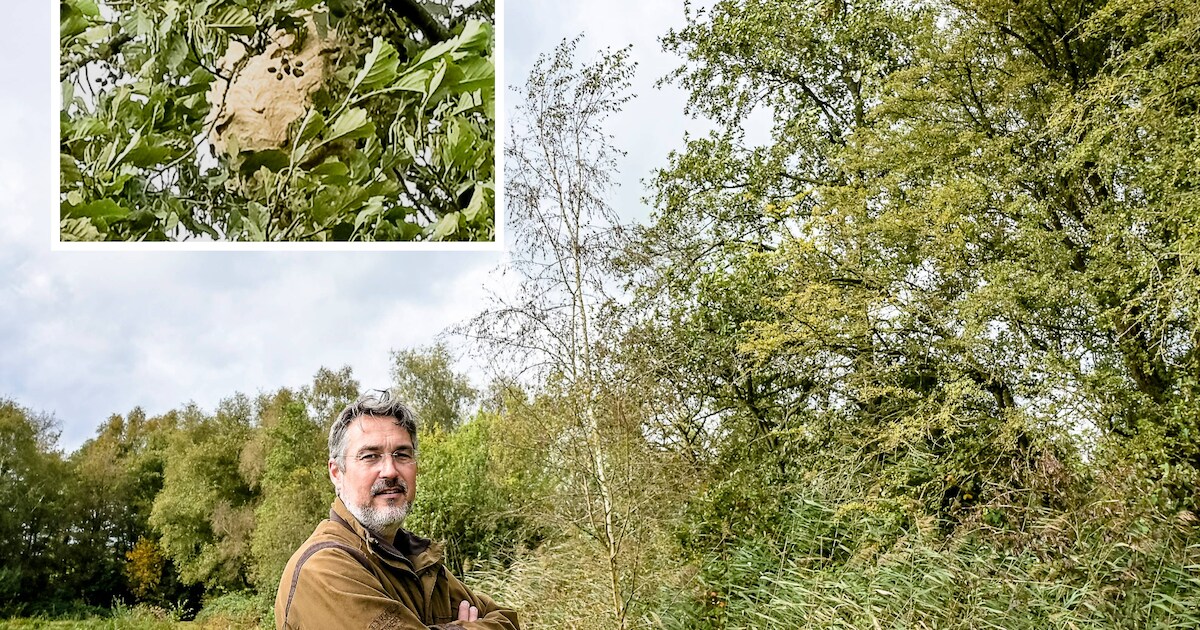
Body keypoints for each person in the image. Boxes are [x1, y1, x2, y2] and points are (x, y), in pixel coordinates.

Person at [275, 392, 519, 629]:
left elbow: (508, 620)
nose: (390, 471)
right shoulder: (322, 568)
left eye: (402, 455)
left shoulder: (419, 561)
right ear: (337, 472)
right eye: (370, 456)